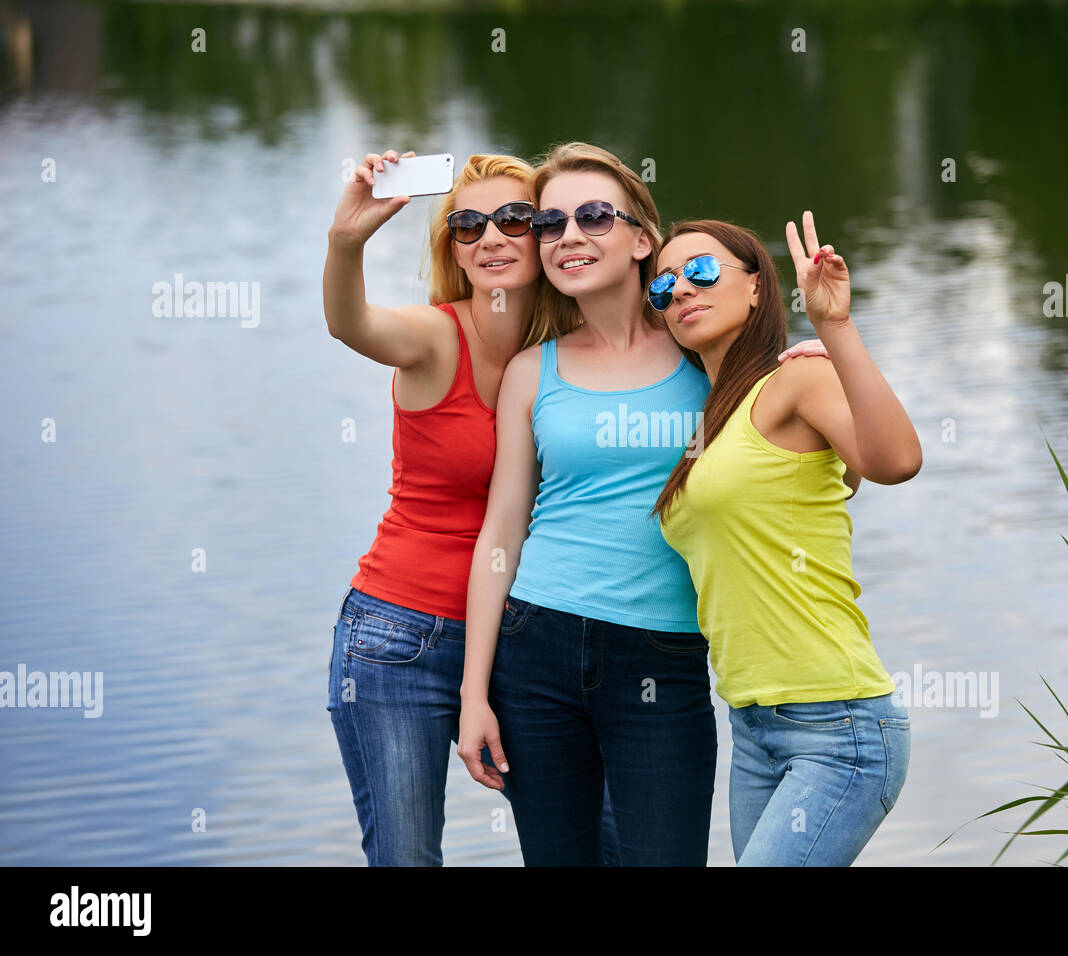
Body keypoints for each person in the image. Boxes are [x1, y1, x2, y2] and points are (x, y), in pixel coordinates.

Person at [456, 144, 828, 865]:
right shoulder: (534, 370)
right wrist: (475, 694)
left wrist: (825, 352)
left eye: (594, 216)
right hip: (535, 648)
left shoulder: (705, 354)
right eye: (550, 222)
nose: (569, 236)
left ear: (642, 239)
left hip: (665, 653)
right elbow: (501, 530)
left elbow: (820, 471)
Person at [323, 148, 621, 865]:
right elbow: (349, 324)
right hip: (400, 639)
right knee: (408, 858)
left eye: (515, 218)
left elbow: (680, 329)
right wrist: (346, 241)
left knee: (602, 848)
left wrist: (791, 357)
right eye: (467, 226)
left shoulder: (572, 347)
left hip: (528, 636)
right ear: (452, 248)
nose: (490, 236)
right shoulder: (433, 335)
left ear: (547, 231)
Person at [651, 213, 923, 866]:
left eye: (702, 271)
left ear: (756, 287)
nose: (681, 289)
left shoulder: (796, 380)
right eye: (662, 287)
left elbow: (896, 461)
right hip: (753, 730)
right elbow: (829, 487)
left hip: (838, 728)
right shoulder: (712, 422)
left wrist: (835, 328)